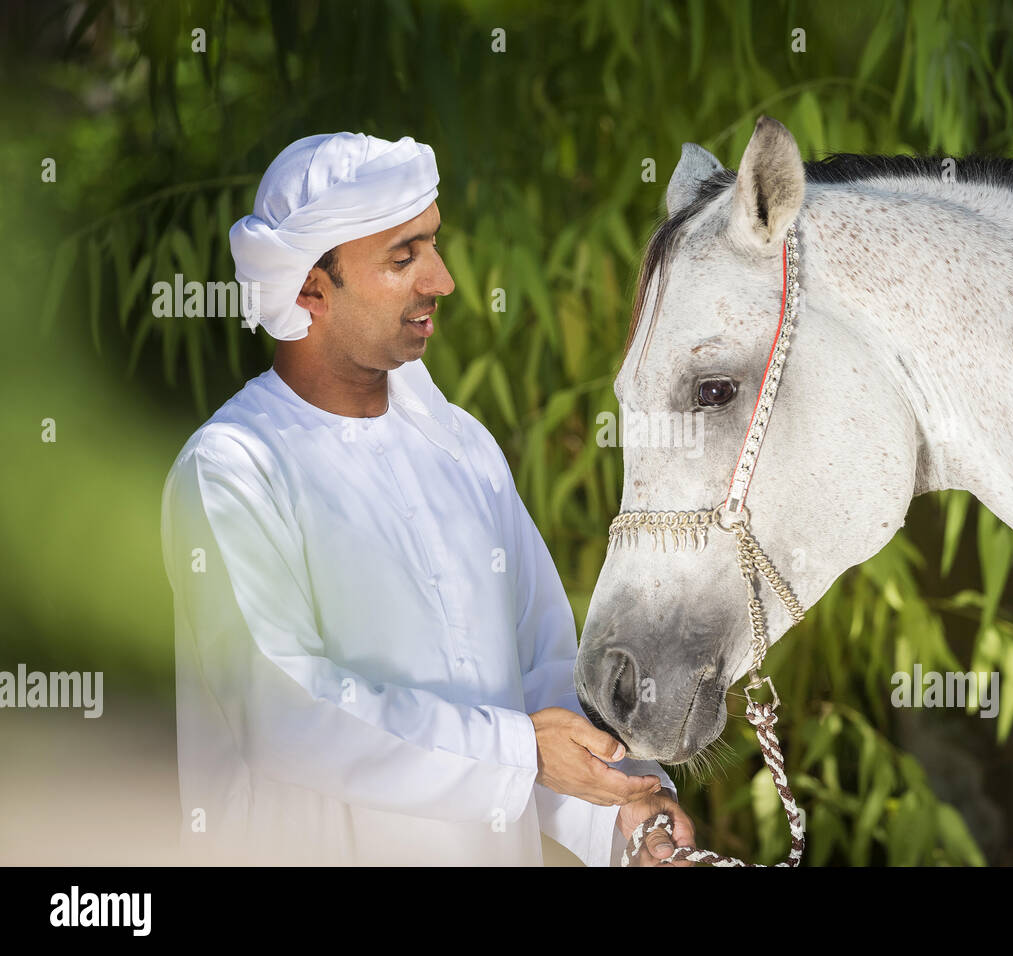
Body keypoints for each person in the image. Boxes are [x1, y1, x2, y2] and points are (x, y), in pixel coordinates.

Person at [160, 132, 695, 865]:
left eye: (433, 246)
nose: (441, 280)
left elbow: (539, 672)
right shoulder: (233, 469)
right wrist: (519, 754)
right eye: (403, 257)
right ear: (309, 288)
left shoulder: (460, 446)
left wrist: (627, 811)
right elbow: (286, 709)